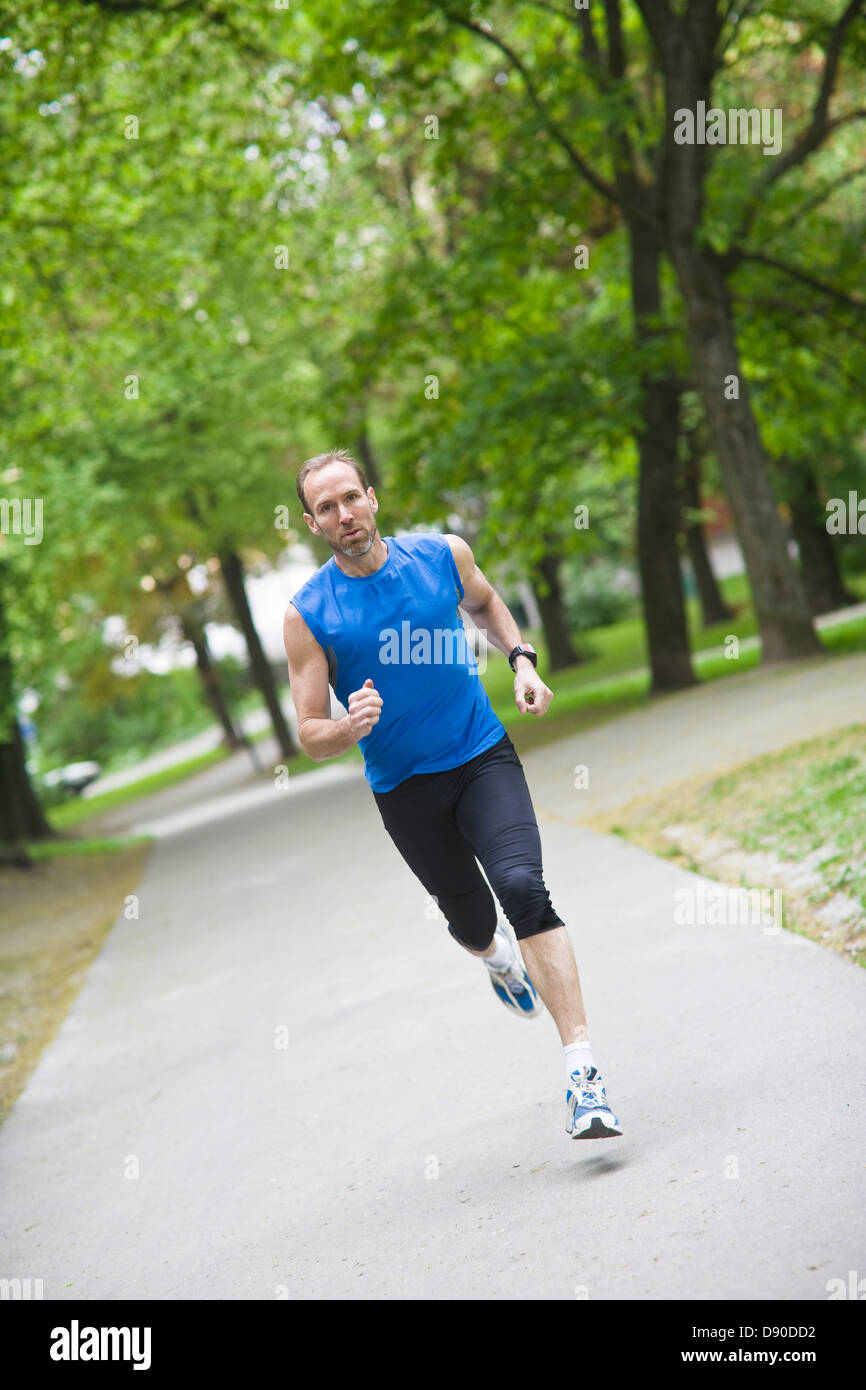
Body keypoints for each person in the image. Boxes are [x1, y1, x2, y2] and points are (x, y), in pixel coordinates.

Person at [283, 448, 622, 1140]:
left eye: (351, 498)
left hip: (480, 756)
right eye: (326, 507)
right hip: (404, 790)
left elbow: (488, 602)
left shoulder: (441, 556)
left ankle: (583, 1075)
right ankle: (495, 957)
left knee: (524, 886)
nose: (344, 514)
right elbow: (310, 732)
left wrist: (520, 661)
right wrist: (347, 727)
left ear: (372, 498)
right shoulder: (309, 613)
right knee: (469, 921)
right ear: (313, 524)